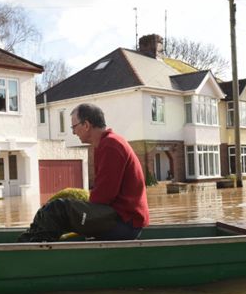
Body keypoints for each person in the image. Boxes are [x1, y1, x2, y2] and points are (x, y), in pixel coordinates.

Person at [18, 103, 149, 242]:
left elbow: (103, 197)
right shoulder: (104, 144)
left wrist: (76, 212)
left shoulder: (111, 145)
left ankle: (32, 249)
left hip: (125, 223)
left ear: (86, 125)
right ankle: (32, 242)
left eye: (74, 127)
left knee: (57, 208)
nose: (73, 132)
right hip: (119, 219)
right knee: (56, 211)